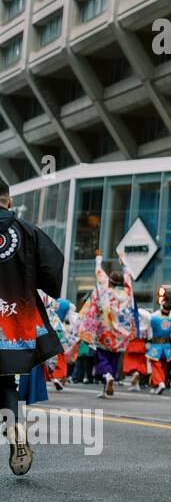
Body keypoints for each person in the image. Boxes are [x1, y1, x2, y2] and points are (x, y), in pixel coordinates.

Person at [0, 182, 64, 476]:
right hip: (15, 320)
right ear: (8, 202)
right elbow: (53, 265)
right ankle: (15, 430)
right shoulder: (28, 231)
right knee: (5, 384)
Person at [79, 252, 134, 398]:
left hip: (105, 330)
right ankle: (109, 383)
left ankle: (107, 376)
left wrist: (99, 261)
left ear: (110, 281)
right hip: (121, 334)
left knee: (102, 356)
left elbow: (100, 275)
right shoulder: (127, 293)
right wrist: (124, 262)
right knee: (114, 358)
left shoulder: (105, 291)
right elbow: (128, 276)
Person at [147, 291, 171, 395]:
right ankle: (156, 384)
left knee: (156, 366)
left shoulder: (155, 319)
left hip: (156, 346)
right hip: (167, 347)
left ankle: (160, 382)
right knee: (163, 367)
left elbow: (149, 322)